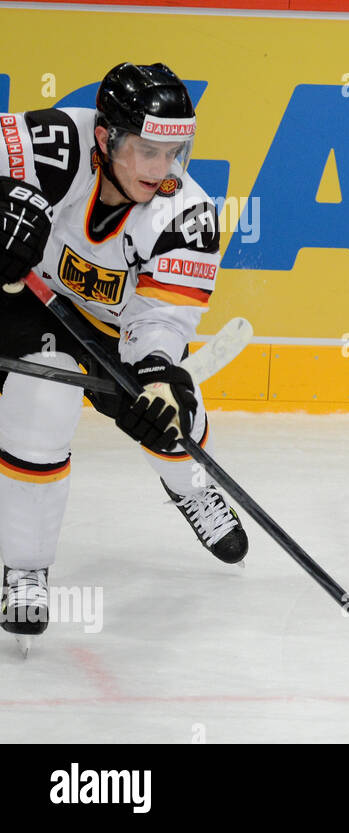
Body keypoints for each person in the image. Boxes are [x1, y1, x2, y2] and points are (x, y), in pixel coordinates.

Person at [0, 62, 247, 650]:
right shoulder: (53, 143)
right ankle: (24, 567)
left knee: (170, 422)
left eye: (175, 152)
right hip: (36, 302)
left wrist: (160, 376)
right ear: (107, 136)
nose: (164, 170)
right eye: (148, 151)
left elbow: (159, 318)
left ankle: (190, 487)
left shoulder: (187, 213)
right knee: (41, 406)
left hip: (121, 328)